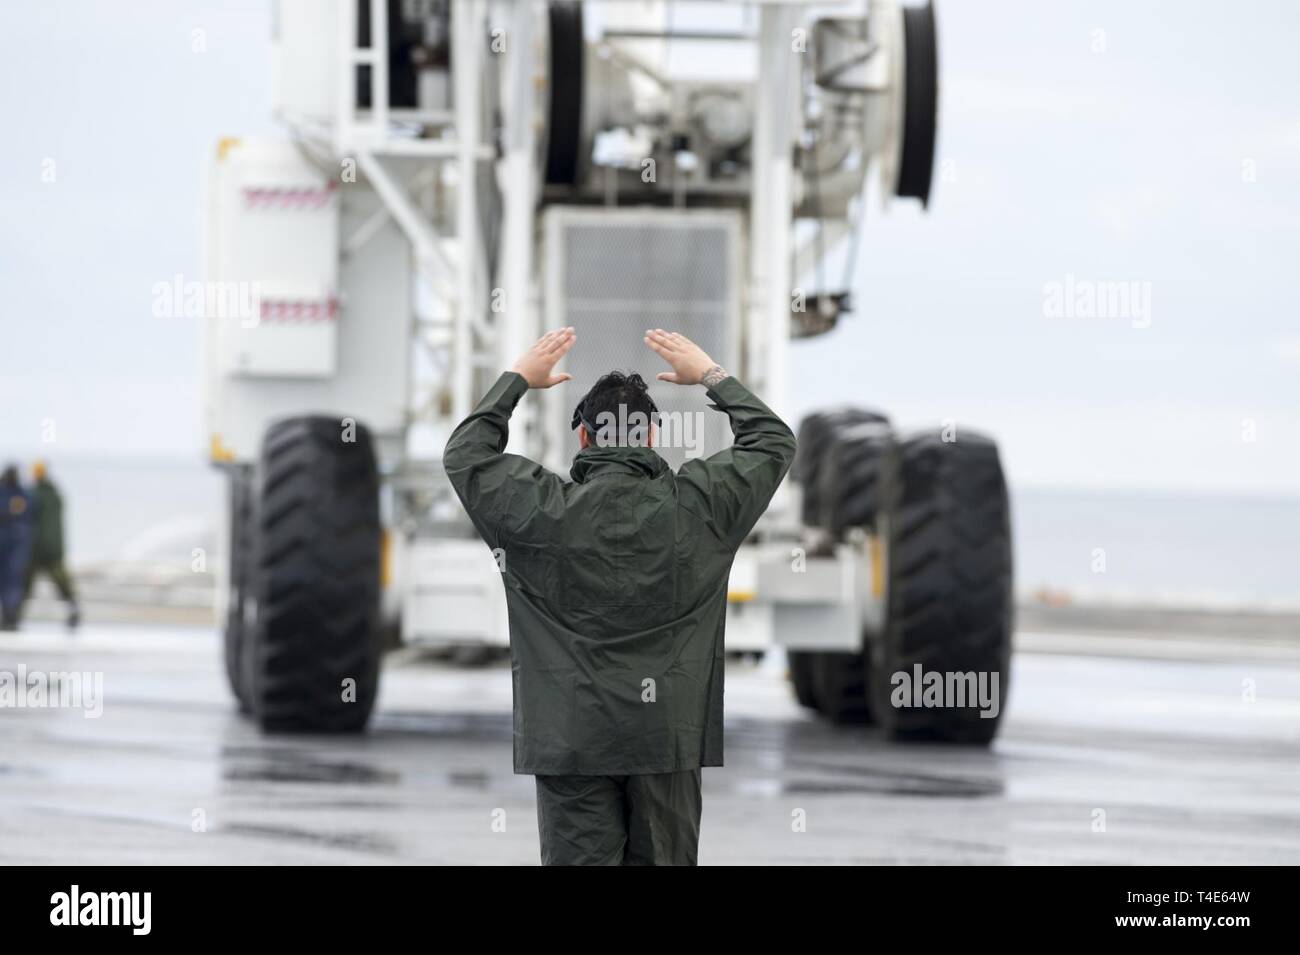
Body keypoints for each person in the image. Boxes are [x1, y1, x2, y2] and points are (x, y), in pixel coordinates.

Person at [444, 328, 796, 865]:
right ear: (652, 435)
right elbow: (772, 441)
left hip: (570, 741)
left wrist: (516, 380)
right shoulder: (700, 506)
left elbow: (466, 455)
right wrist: (711, 374)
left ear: (583, 439)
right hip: (666, 742)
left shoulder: (539, 510)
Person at [23, 461, 80, 630]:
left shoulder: (32, 495)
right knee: (62, 584)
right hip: (54, 548)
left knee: (25, 584)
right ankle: (73, 609)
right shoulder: (56, 494)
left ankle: (13, 615)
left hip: (37, 548)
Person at [0, 465, 34, 631]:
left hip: (15, 545)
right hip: (11, 543)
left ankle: (11, 616)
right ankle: (8, 616)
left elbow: (30, 513)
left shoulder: (22, 494)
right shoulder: (20, 494)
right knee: (9, 582)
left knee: (13, 582)